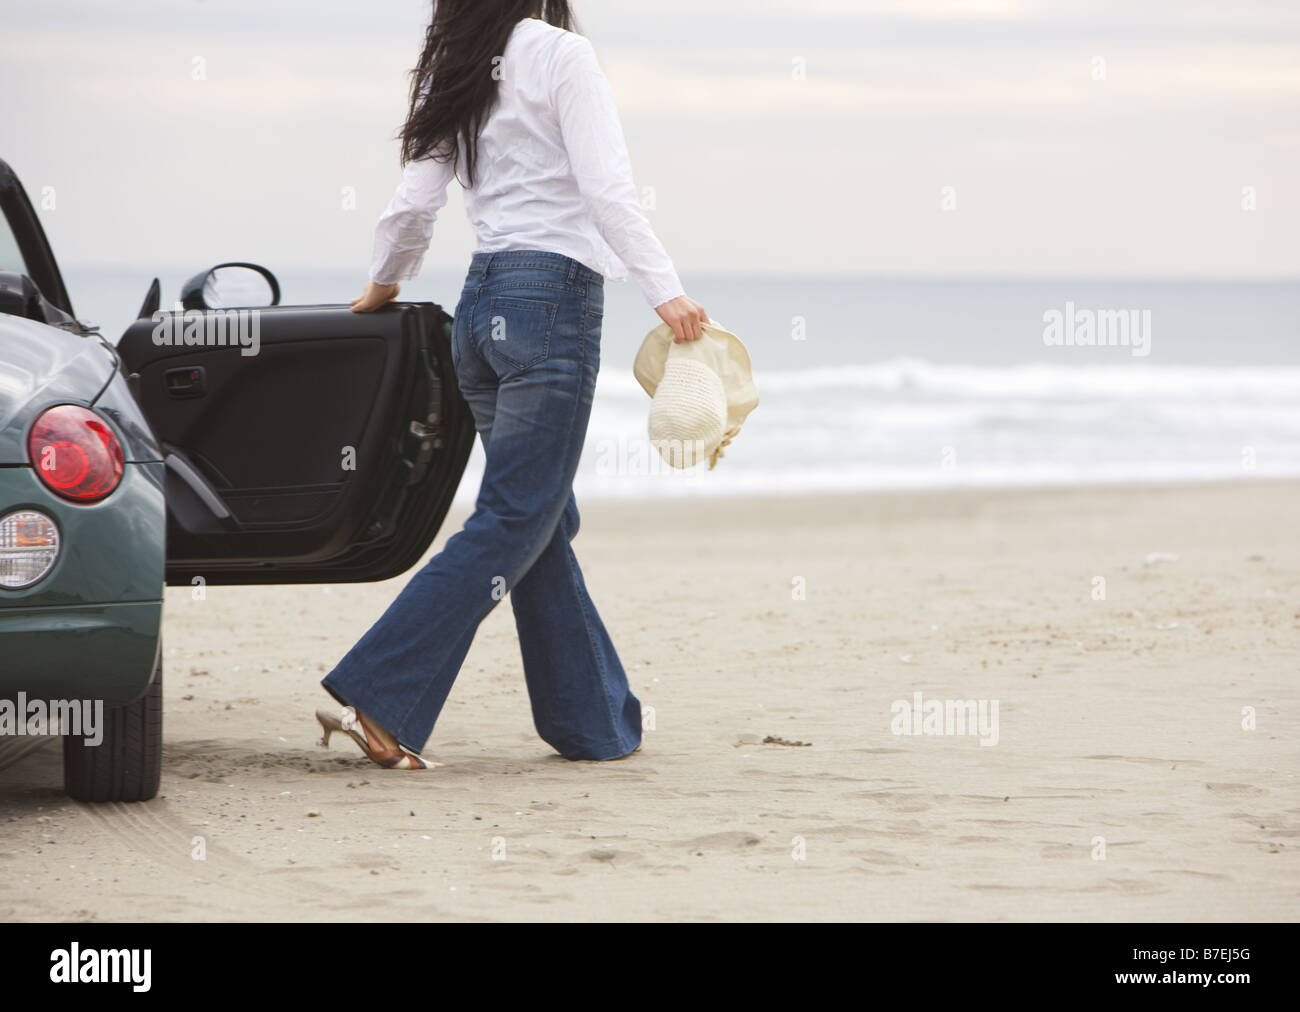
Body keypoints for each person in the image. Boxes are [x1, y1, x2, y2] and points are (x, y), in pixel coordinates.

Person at [315, 1, 708, 769]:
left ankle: (591, 723)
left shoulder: (456, 68)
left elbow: (415, 203)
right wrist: (667, 292)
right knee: (516, 514)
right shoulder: (562, 55)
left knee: (539, 520)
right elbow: (606, 189)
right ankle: (381, 693)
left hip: (482, 308)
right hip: (549, 301)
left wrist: (383, 282)